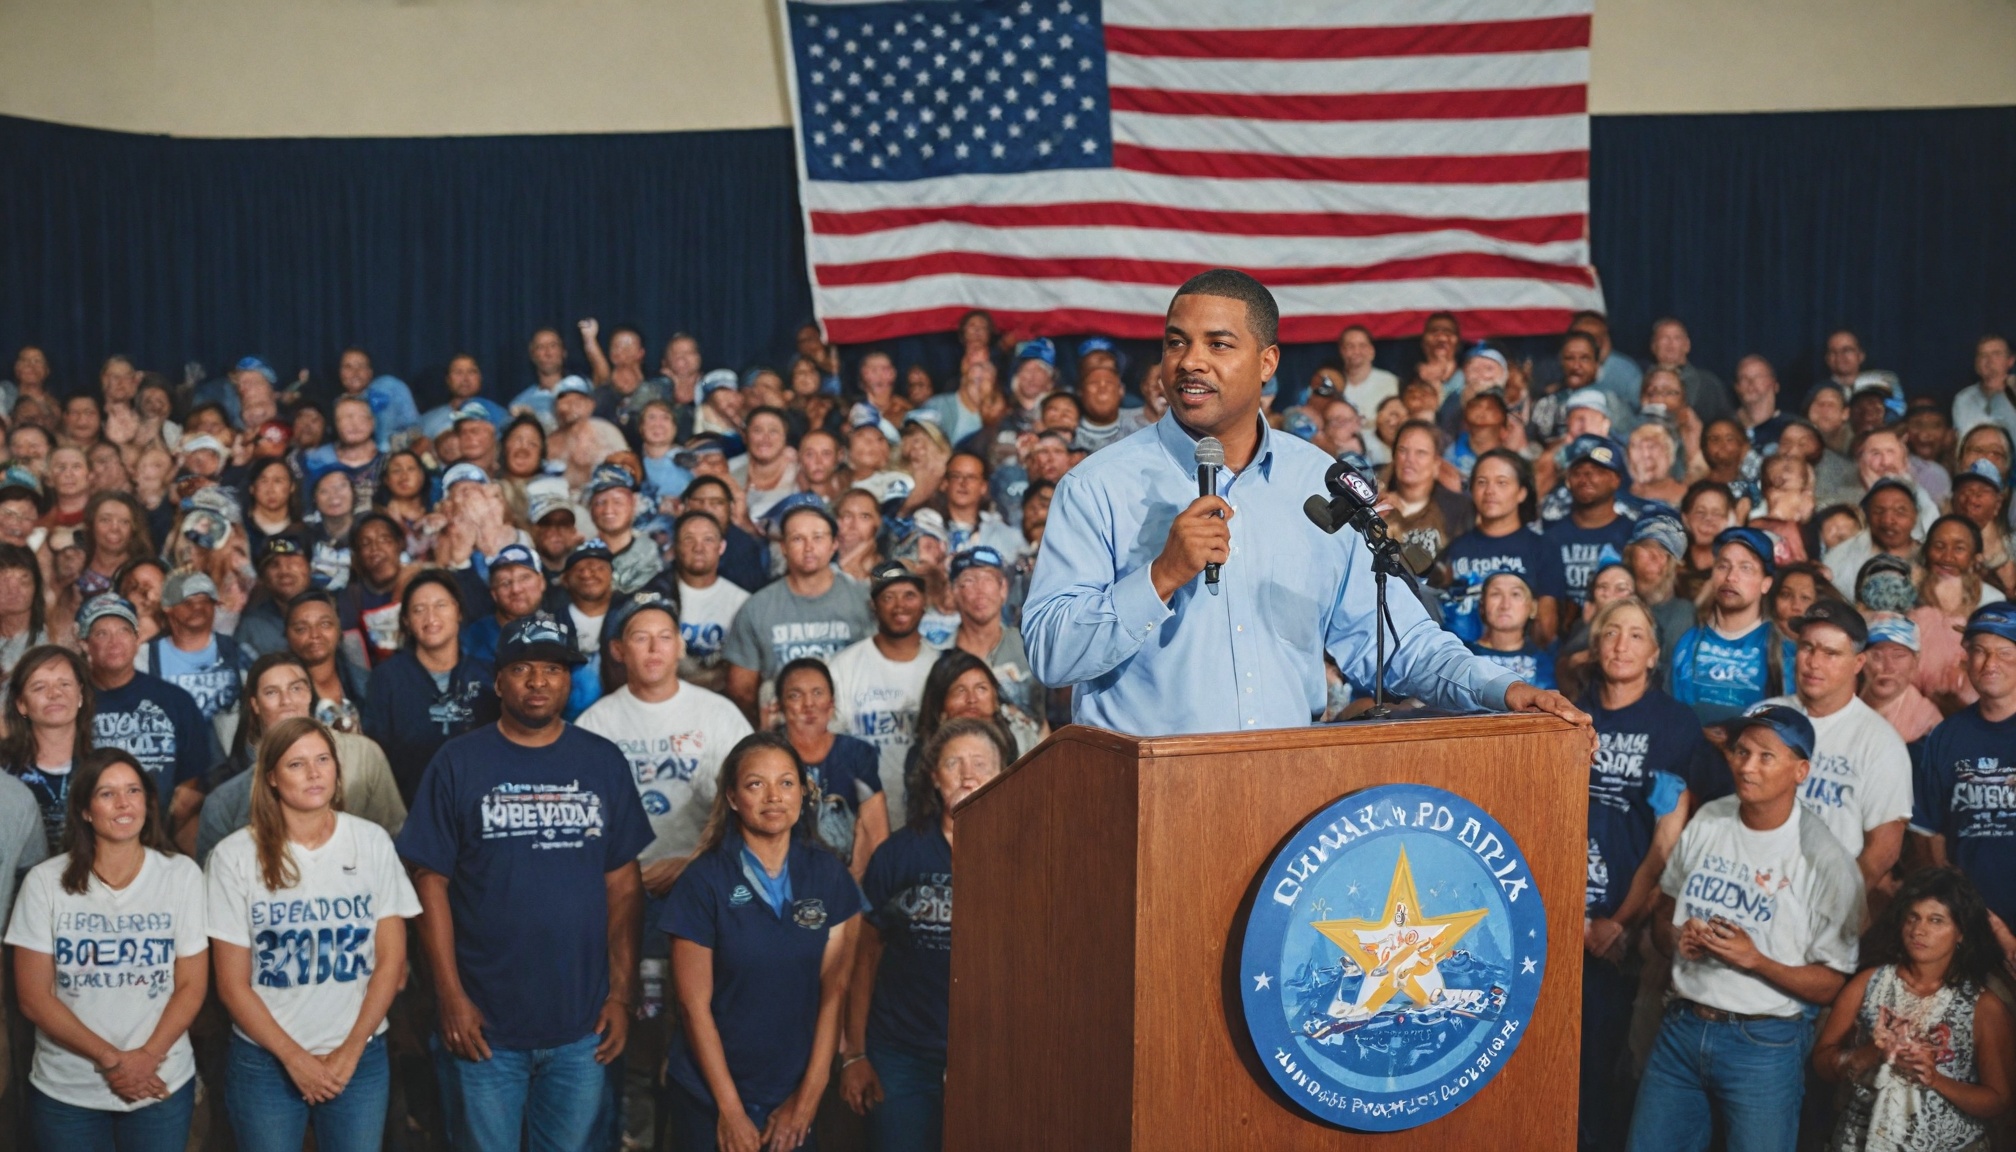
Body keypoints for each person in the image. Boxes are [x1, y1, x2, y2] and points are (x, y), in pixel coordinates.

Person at [1023, 270, 1585, 736]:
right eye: (1176, 342)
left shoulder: (1319, 482)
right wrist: (1161, 576)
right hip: (1148, 801)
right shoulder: (1098, 486)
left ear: (1267, 364)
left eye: (1218, 344)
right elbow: (1051, 654)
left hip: (1287, 806)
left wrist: (1502, 690)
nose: (1190, 361)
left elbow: (1398, 642)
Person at [397, 612, 650, 1152]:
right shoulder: (457, 763)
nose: (538, 682)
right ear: (499, 681)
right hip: (485, 1027)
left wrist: (622, 994)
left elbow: (624, 886)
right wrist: (448, 996)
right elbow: (430, 884)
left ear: (568, 679)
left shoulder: (601, 760)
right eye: (523, 669)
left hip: (582, 1027)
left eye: (553, 669)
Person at [1626, 704, 1862, 1152]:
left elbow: (1832, 983)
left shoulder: (1825, 860)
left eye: (1765, 756)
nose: (1747, 766)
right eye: (1740, 751)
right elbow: (1664, 912)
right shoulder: (1711, 820)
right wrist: (1678, 939)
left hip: (1764, 1043)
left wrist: (1756, 961)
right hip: (1681, 1024)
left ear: (1801, 770)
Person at [205, 715, 422, 1152]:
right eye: (297, 764)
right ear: (271, 778)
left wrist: (351, 1049)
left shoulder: (371, 842)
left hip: (359, 1053)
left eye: (323, 759)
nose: (314, 772)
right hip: (265, 1060)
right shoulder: (233, 857)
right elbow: (231, 984)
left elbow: (390, 962)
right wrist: (294, 1059)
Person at [662, 731, 865, 1152]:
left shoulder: (828, 875)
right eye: (757, 784)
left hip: (791, 1095)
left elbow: (834, 991)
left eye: (786, 783)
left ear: (803, 793)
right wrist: (730, 1111)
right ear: (733, 797)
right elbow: (692, 1006)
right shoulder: (704, 881)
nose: (774, 796)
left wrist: (808, 1098)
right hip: (710, 1098)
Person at [4, 748, 209, 1151]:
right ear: (84, 809)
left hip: (161, 1077)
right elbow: (33, 998)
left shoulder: (180, 874)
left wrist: (147, 1057)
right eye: (107, 793)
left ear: (147, 803)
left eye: (133, 791)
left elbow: (191, 986)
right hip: (68, 1089)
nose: (123, 803)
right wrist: (114, 1060)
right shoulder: (46, 882)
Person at [1578, 596, 1724, 1151]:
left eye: (1636, 635)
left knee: (1614, 1064)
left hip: (1625, 926)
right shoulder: (1567, 714)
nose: (1621, 644)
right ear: (1595, 645)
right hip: (1564, 918)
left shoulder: (1673, 724)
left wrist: (1619, 921)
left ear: (1655, 654)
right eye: (1612, 632)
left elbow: (1668, 839)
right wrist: (1571, 917)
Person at [842, 717, 1011, 1152]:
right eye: (954, 763)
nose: (968, 774)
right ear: (934, 776)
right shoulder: (898, 854)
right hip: (901, 1053)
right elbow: (863, 960)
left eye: (980, 763)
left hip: (994, 1055)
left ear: (1003, 773)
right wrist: (855, 1053)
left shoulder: (1028, 853)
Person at [1812, 868, 2012, 1151]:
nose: (1919, 930)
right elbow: (1822, 1062)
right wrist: (1868, 1054)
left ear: (1961, 933)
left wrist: (1935, 1079)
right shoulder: (1869, 983)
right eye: (1913, 917)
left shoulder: (1982, 1005)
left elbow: (1998, 1099)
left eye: (1936, 920)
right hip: (1860, 1141)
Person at [577, 595, 752, 902]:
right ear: (618, 650)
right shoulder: (595, 723)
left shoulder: (718, 713)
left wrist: (694, 863)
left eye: (665, 637)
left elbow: (751, 802)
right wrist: (624, 878)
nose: (654, 649)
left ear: (680, 647)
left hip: (708, 877)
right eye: (641, 638)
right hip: (620, 887)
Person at [1761, 601, 1910, 908]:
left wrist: (1835, 905)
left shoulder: (1881, 742)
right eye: (1807, 648)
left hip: (1822, 903)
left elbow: (1883, 850)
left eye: (1831, 654)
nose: (1814, 662)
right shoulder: (1762, 717)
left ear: (1858, 663)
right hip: (1752, 888)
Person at [195, 652, 407, 864]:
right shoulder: (225, 801)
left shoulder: (363, 754)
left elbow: (394, 837)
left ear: (310, 694)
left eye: (296, 689)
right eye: (271, 692)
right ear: (255, 705)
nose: (286, 701)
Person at [1909, 602, 2016, 974]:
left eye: (2005, 653)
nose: (1991, 664)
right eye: (1980, 652)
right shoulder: (1945, 736)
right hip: (1968, 924)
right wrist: (1958, 912)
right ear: (1966, 658)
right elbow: (1929, 836)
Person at [723, 501, 874, 722]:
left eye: (818, 537)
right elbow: (742, 691)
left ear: (834, 544)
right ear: (783, 547)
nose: (809, 547)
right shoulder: (757, 607)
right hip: (784, 729)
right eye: (797, 539)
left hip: (850, 726)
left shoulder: (863, 601)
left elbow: (879, 671)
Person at [361, 571, 498, 803]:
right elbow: (376, 754)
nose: (431, 616)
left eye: (441, 605)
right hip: (412, 810)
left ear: (459, 612)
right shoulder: (387, 678)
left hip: (481, 805)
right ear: (406, 621)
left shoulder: (487, 675)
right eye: (418, 609)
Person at [827, 563, 941, 827]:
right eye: (888, 597)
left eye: (909, 595)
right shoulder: (843, 666)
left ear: (924, 602)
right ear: (874, 605)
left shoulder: (941, 667)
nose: (899, 605)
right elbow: (832, 745)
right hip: (859, 818)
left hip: (926, 819)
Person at [79, 595, 210, 814]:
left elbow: (192, 779)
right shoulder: (72, 702)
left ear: (137, 639)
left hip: (161, 832)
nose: (115, 642)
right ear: (85, 644)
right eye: (102, 634)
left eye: (124, 631)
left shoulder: (175, 700)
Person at [776, 657, 888, 876]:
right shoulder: (766, 755)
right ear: (780, 705)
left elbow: (877, 833)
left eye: (818, 693)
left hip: (849, 877)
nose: (809, 704)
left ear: (832, 702)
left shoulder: (856, 753)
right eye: (795, 695)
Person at [1440, 448, 1562, 645]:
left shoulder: (1542, 548)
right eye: (1481, 482)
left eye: (1501, 482)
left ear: (1522, 492)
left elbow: (1546, 628)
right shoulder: (1456, 548)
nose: (1490, 491)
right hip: (1461, 659)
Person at [1671, 527, 1780, 726]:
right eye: (1723, 566)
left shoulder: (1780, 648)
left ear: (1766, 584)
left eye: (1745, 568)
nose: (1731, 577)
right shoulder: (1687, 640)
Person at [142, 570, 250, 758]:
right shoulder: (144, 657)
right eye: (188, 602)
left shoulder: (236, 652)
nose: (198, 607)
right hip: (170, 763)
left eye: (205, 601)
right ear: (168, 607)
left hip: (226, 766)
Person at [3, 646, 97, 854]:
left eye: (64, 684)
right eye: (39, 687)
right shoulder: (4, 770)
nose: (54, 694)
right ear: (21, 704)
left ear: (80, 695)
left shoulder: (104, 766)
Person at [1542, 434, 1636, 607]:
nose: (1585, 479)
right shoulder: (1551, 538)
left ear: (1616, 481)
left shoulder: (1634, 535)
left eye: (1597, 472)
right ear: (1568, 481)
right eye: (1578, 472)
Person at [668, 511, 749, 694]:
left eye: (708, 539)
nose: (699, 548)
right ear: (676, 548)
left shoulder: (742, 602)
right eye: (689, 539)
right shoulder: (659, 596)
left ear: (721, 547)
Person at [286, 591, 368, 734]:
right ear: (287, 636)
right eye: (301, 629)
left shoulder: (366, 682)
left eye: (325, 624)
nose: (315, 635)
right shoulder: (283, 694)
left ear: (339, 630)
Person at [1856, 615, 1942, 743]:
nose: (1888, 667)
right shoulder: (1848, 703)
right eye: (1877, 656)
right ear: (1861, 661)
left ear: (1915, 662)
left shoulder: (1926, 721)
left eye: (1898, 656)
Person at [1465, 572, 1556, 690]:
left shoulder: (1546, 661)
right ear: (1482, 605)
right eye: (1495, 594)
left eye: (1515, 594)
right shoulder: (1463, 656)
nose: (1505, 605)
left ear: (1533, 607)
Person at [585, 463, 663, 594]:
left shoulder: (650, 556)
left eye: (618, 502)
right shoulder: (581, 555)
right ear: (591, 508)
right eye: (600, 502)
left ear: (633, 503)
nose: (608, 510)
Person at [235, 535, 314, 660]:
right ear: (263, 578)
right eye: (274, 565)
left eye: (292, 562)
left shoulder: (334, 611)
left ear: (310, 568)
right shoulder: (252, 625)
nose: (284, 571)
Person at [1951, 334, 2014, 437]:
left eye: (1996, 354)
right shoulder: (1963, 399)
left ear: (2010, 360)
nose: (1989, 361)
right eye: (1983, 355)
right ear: (1976, 364)